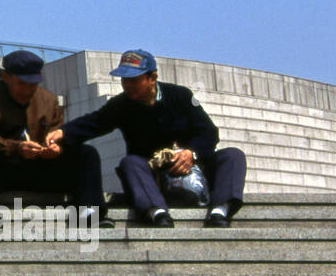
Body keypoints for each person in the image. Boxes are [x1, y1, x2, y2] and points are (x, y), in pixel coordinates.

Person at [46, 49, 246, 228]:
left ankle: (220, 210)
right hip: (152, 176)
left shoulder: (180, 96)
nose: (128, 86)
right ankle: (156, 212)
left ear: (152, 77)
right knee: (130, 163)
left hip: (192, 169)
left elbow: (209, 132)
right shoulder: (121, 105)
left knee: (233, 155)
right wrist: (63, 133)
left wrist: (190, 153)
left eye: (134, 80)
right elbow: (94, 122)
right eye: (125, 80)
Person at [0, 50, 111, 229]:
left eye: (33, 85)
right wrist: (16, 148)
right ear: (6, 77)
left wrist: (55, 149)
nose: (27, 90)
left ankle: (89, 209)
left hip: (39, 169)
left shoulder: (48, 99)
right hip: (0, 171)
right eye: (22, 84)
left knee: (87, 153)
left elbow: (57, 134)